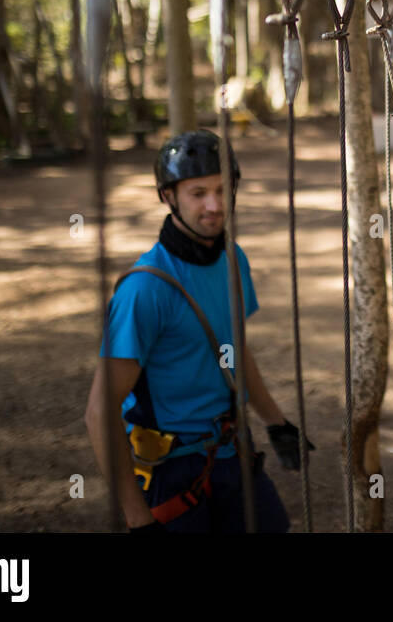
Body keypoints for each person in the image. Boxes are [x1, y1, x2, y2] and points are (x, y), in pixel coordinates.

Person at [84, 129, 311, 533]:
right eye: (198, 192)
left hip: (231, 451)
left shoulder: (232, 259)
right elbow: (100, 412)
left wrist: (276, 422)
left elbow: (235, 350)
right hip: (170, 471)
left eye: (224, 190)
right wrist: (139, 520)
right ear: (168, 196)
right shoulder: (144, 290)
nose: (214, 205)